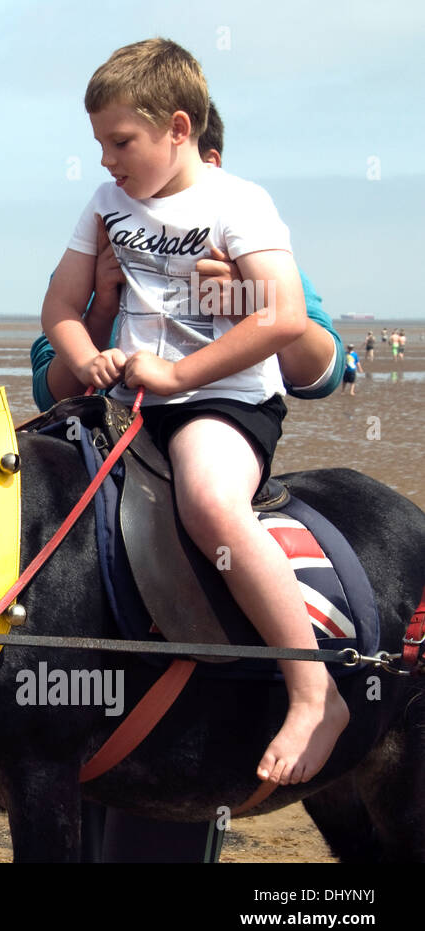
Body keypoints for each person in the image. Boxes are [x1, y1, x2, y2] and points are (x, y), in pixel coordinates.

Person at [40, 38, 348, 787]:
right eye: (100, 144)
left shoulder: (238, 201)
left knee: (210, 502)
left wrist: (178, 372)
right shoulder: (107, 202)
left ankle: (316, 690)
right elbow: (58, 305)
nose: (107, 160)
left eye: (121, 142)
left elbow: (282, 320)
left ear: (179, 129)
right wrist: (85, 355)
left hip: (221, 400)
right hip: (129, 400)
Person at [31, 101, 343, 410]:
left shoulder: (253, 251)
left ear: (210, 165)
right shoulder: (103, 243)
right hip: (120, 420)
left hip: (220, 414)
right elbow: (52, 396)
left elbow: (320, 375)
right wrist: (101, 310)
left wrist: (250, 309)